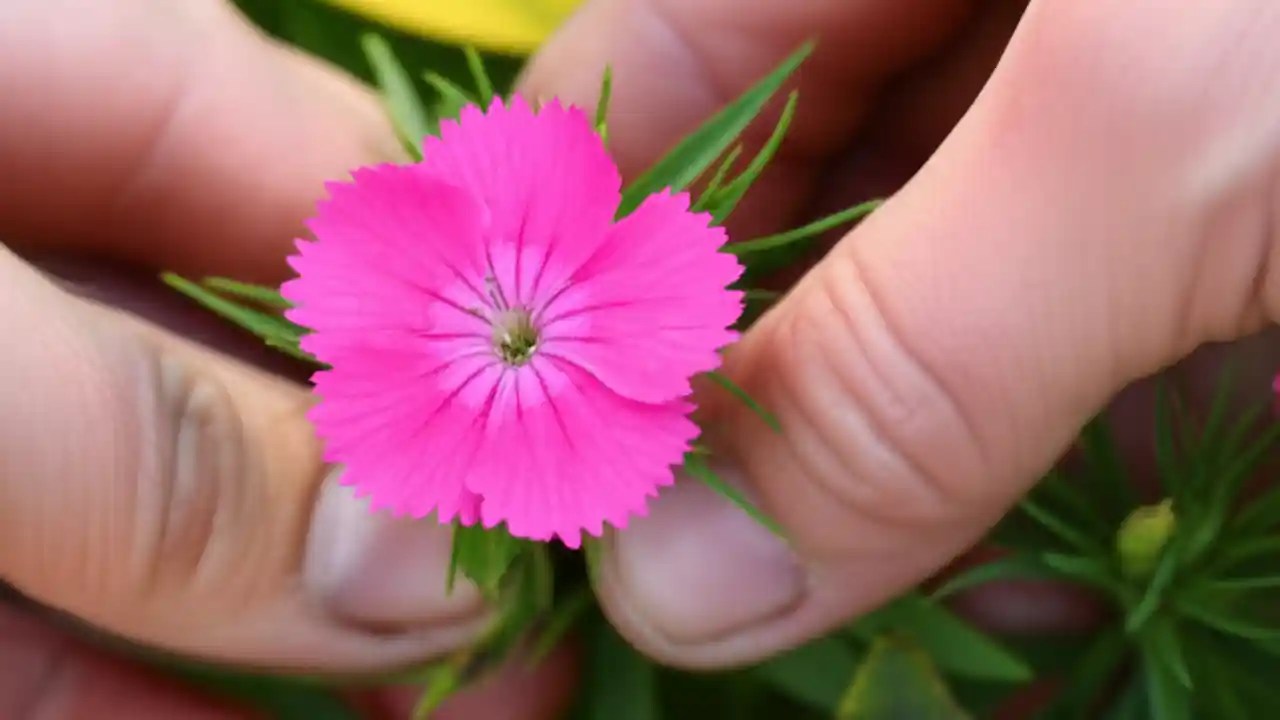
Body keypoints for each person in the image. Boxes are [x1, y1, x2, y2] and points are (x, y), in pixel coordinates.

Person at [3, 0, 1278, 716]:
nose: (510, 335)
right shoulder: (419, 370)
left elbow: (661, 276)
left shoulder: (630, 268)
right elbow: (359, 321)